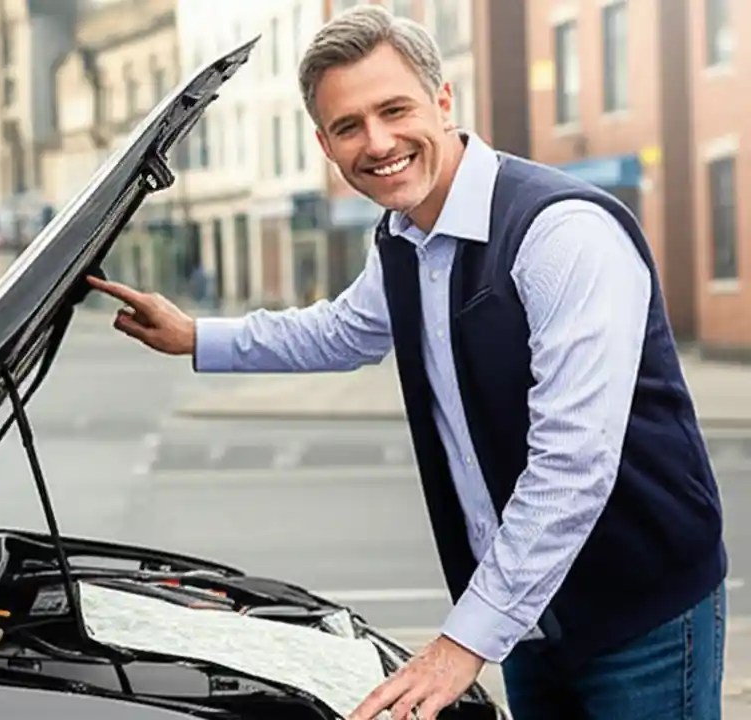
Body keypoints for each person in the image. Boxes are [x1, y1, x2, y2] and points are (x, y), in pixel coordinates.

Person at [87, 5, 727, 720]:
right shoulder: (403, 236)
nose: (378, 142)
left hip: (638, 612)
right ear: (326, 146)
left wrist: (463, 642)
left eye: (395, 110)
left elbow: (573, 464)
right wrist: (195, 336)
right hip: (526, 614)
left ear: (443, 101)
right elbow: (341, 332)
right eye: (349, 126)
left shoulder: (561, 234)